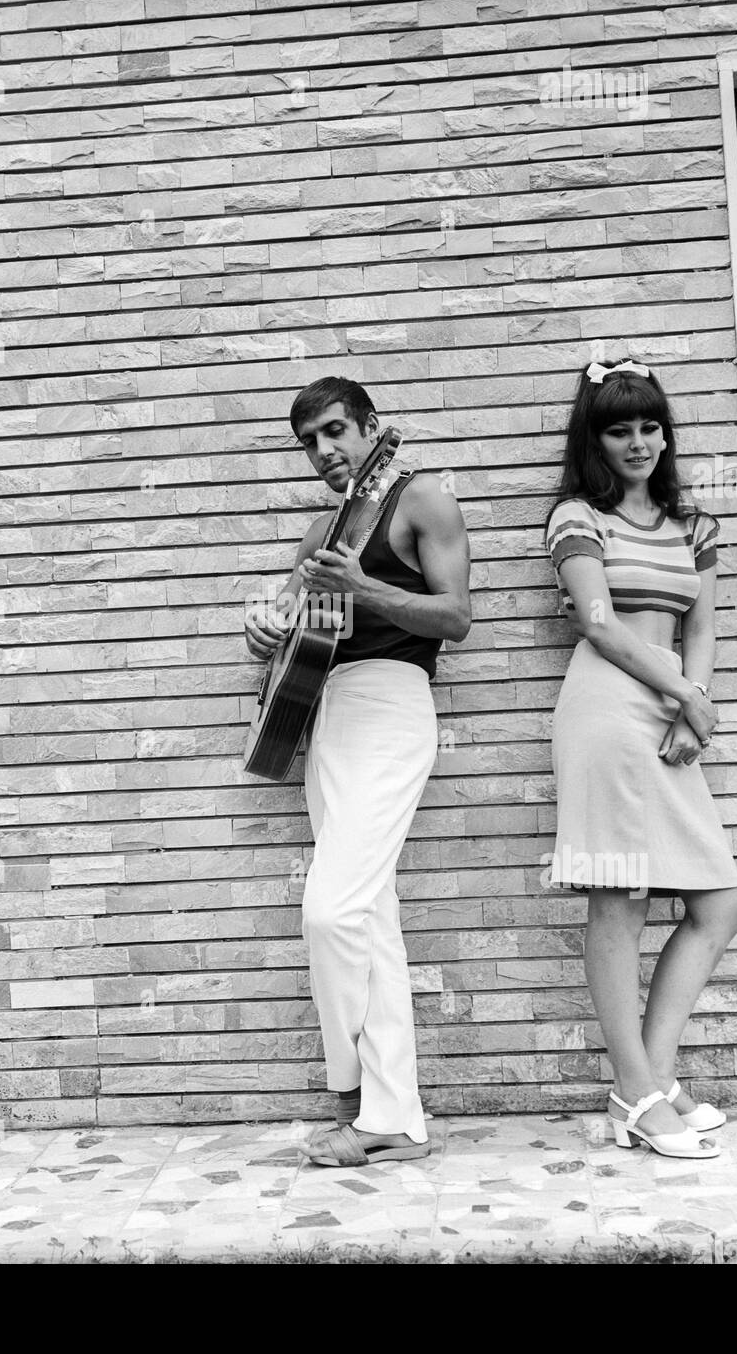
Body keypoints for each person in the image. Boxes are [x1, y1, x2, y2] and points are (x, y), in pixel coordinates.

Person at [244, 376, 471, 1166]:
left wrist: (365, 585)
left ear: (373, 426)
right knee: (370, 918)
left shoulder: (423, 502)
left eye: (336, 431)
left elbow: (457, 618)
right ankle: (394, 1117)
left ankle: (355, 1090)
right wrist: (264, 630)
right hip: (324, 715)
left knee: (331, 911)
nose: (324, 451)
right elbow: (286, 620)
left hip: (392, 705)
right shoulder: (319, 532)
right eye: (309, 442)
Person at [544, 359, 737, 1160]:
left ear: (666, 434)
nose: (638, 442)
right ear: (595, 440)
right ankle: (639, 1092)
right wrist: (688, 698)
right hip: (605, 712)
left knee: (718, 902)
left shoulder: (693, 528)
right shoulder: (575, 519)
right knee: (620, 899)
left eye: (649, 426)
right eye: (619, 428)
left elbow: (702, 626)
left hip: (669, 716)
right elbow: (599, 624)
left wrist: (694, 704)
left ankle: (647, 1083)